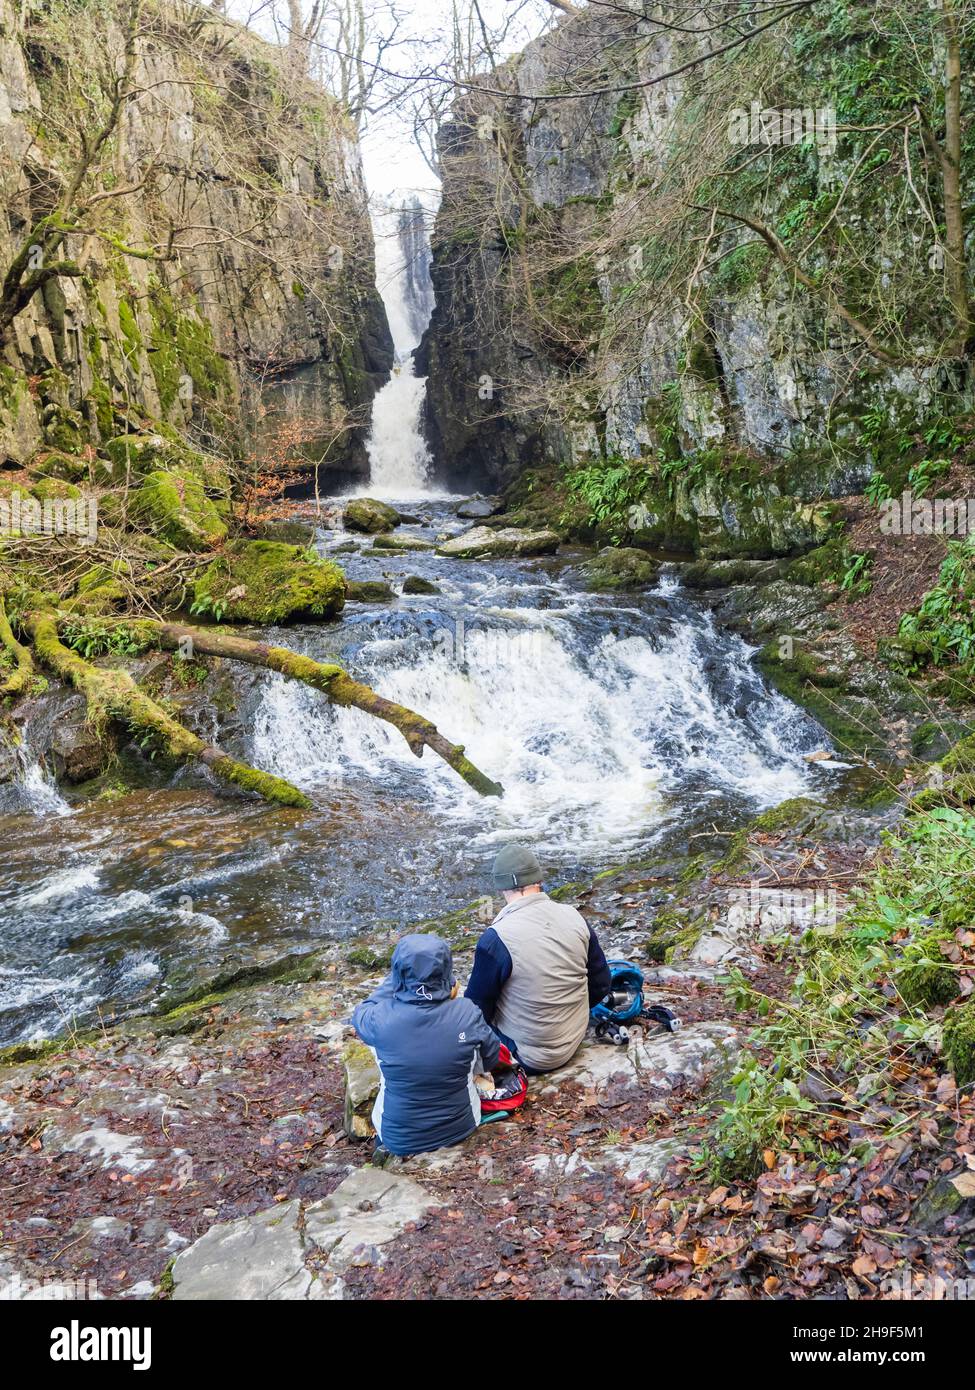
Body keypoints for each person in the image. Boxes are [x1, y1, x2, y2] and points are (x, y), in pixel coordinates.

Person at [351, 932, 502, 1157]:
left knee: (383, 1047)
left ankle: (382, 1153)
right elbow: (491, 1057)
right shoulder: (467, 1012)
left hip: (399, 1138)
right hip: (461, 1126)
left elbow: (360, 1012)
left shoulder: (378, 1018)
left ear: (397, 975)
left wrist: (397, 981)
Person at [465, 843, 611, 1073]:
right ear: (539, 880)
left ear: (501, 887)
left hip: (529, 1056)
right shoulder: (575, 917)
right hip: (575, 1038)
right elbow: (601, 984)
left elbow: (476, 1011)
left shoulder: (497, 938)